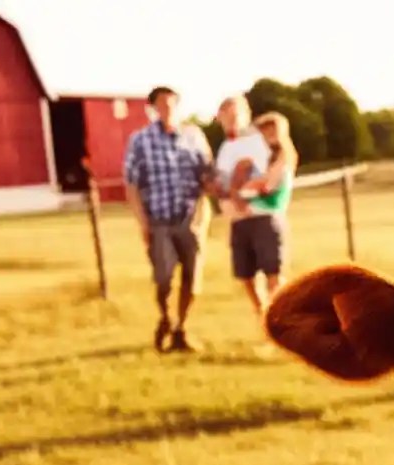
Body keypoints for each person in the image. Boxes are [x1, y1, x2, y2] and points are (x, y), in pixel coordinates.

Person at [123, 86, 212, 353]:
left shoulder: (194, 136)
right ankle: (165, 318)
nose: (168, 108)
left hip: (189, 219)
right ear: (153, 108)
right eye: (161, 104)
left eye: (172, 103)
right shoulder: (140, 140)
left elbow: (207, 175)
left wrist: (204, 216)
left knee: (192, 279)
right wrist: (143, 222)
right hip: (159, 221)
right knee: (163, 279)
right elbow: (131, 185)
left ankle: (181, 329)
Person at [210, 95, 283, 318]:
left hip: (262, 215)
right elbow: (223, 182)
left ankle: (280, 317)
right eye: (227, 116)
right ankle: (263, 316)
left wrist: (248, 196)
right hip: (238, 220)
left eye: (236, 115)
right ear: (220, 119)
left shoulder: (259, 140)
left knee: (272, 271)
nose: (232, 120)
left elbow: (273, 171)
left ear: (246, 115)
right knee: (245, 273)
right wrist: (226, 202)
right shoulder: (224, 148)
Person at [234, 111, 298, 302]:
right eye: (264, 131)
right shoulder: (258, 158)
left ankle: (280, 313)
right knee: (247, 275)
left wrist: (245, 189)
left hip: (267, 219)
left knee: (273, 275)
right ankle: (263, 315)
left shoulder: (283, 157)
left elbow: (266, 185)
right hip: (246, 220)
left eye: (272, 130)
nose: (267, 135)